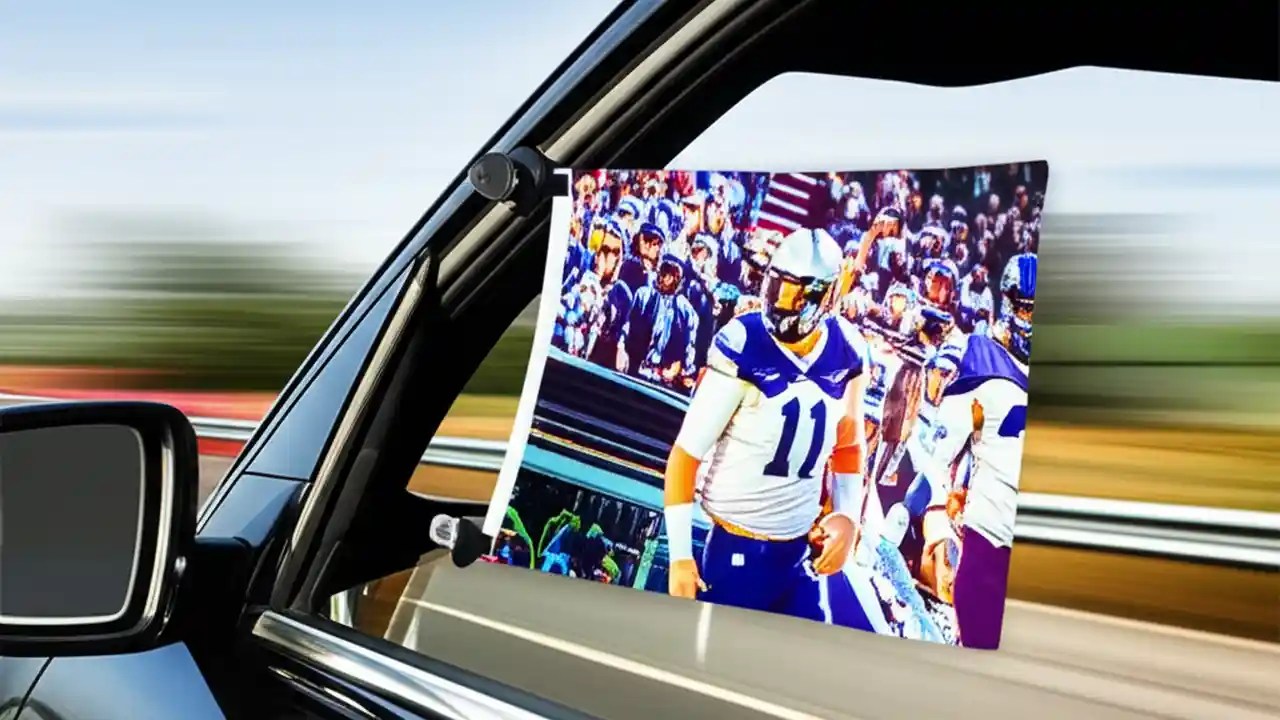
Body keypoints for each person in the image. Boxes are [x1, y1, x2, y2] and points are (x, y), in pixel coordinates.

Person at [661, 227, 869, 624]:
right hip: (737, 549)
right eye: (777, 287)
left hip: (799, 556)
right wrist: (680, 556)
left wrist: (848, 515)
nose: (781, 303)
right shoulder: (744, 343)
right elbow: (685, 457)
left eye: (794, 293)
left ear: (824, 296)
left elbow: (848, 447)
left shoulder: (849, 352)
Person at [920, 252, 1036, 649]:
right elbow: (936, 456)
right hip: (990, 544)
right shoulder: (981, 356)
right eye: (1027, 309)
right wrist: (936, 526)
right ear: (1008, 304)